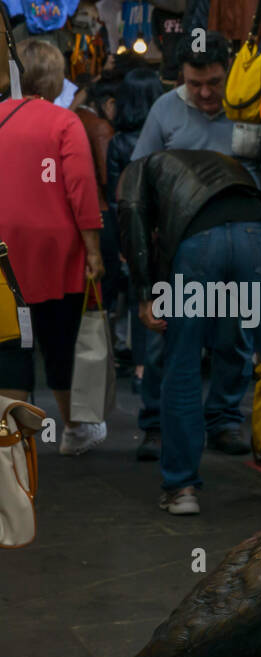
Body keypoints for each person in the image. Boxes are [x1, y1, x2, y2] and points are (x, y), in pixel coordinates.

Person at [117, 148, 261, 514]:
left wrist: (143, 295)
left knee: (182, 365)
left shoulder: (137, 170)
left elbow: (133, 216)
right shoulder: (215, 162)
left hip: (199, 246)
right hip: (259, 240)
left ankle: (181, 488)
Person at [130, 30, 261, 460]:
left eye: (214, 83)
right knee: (165, 340)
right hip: (178, 244)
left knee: (233, 336)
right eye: (195, 83)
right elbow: (139, 178)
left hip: (242, 240)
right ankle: (155, 423)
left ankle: (223, 419)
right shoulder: (165, 111)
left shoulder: (253, 108)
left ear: (229, 74)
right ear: (181, 76)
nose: (205, 93)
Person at [0, 38, 107, 455]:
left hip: (5, 251)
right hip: (56, 252)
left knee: (11, 340)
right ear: (56, 76)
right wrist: (93, 249)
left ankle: (13, 436)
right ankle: (74, 427)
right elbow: (81, 189)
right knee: (60, 339)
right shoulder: (64, 123)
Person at [107, 67, 166, 460]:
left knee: (138, 299)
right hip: (167, 231)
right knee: (161, 304)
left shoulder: (118, 144)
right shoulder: (165, 138)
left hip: (132, 230)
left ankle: (143, 369)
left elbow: (116, 197)